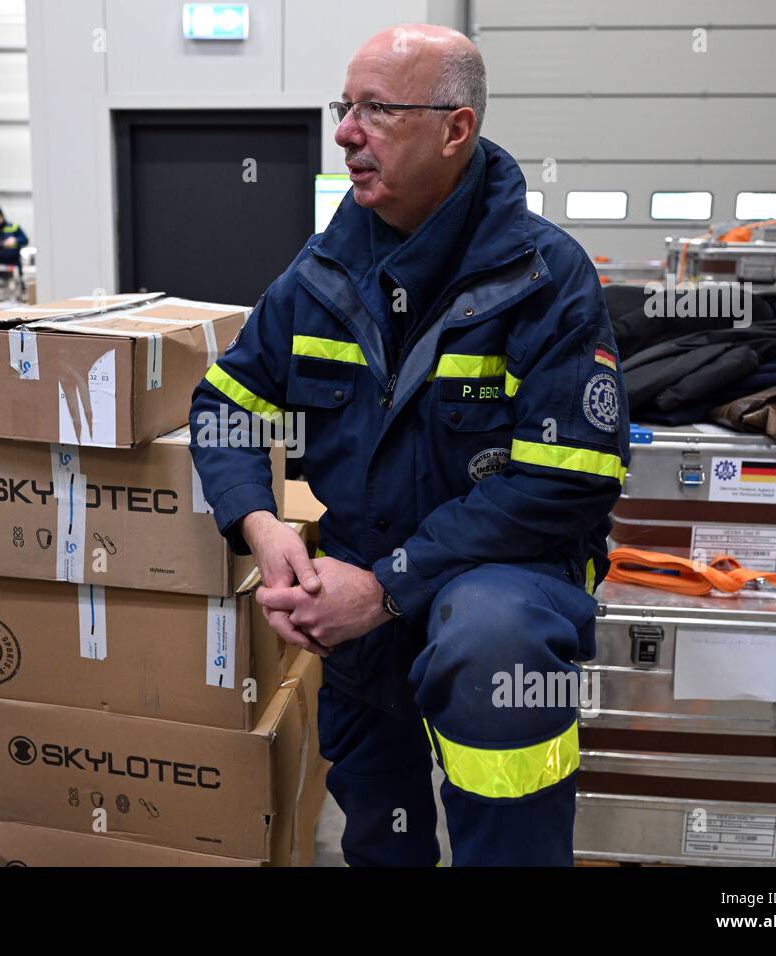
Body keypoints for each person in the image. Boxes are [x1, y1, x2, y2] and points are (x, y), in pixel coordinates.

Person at [188, 24, 630, 866]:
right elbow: (226, 405)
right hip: (359, 589)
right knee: (381, 834)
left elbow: (566, 480)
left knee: (487, 638)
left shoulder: (546, 277)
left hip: (505, 587)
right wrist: (262, 527)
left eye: (375, 110)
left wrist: (386, 587)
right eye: (343, 107)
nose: (346, 131)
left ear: (454, 130)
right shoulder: (319, 275)